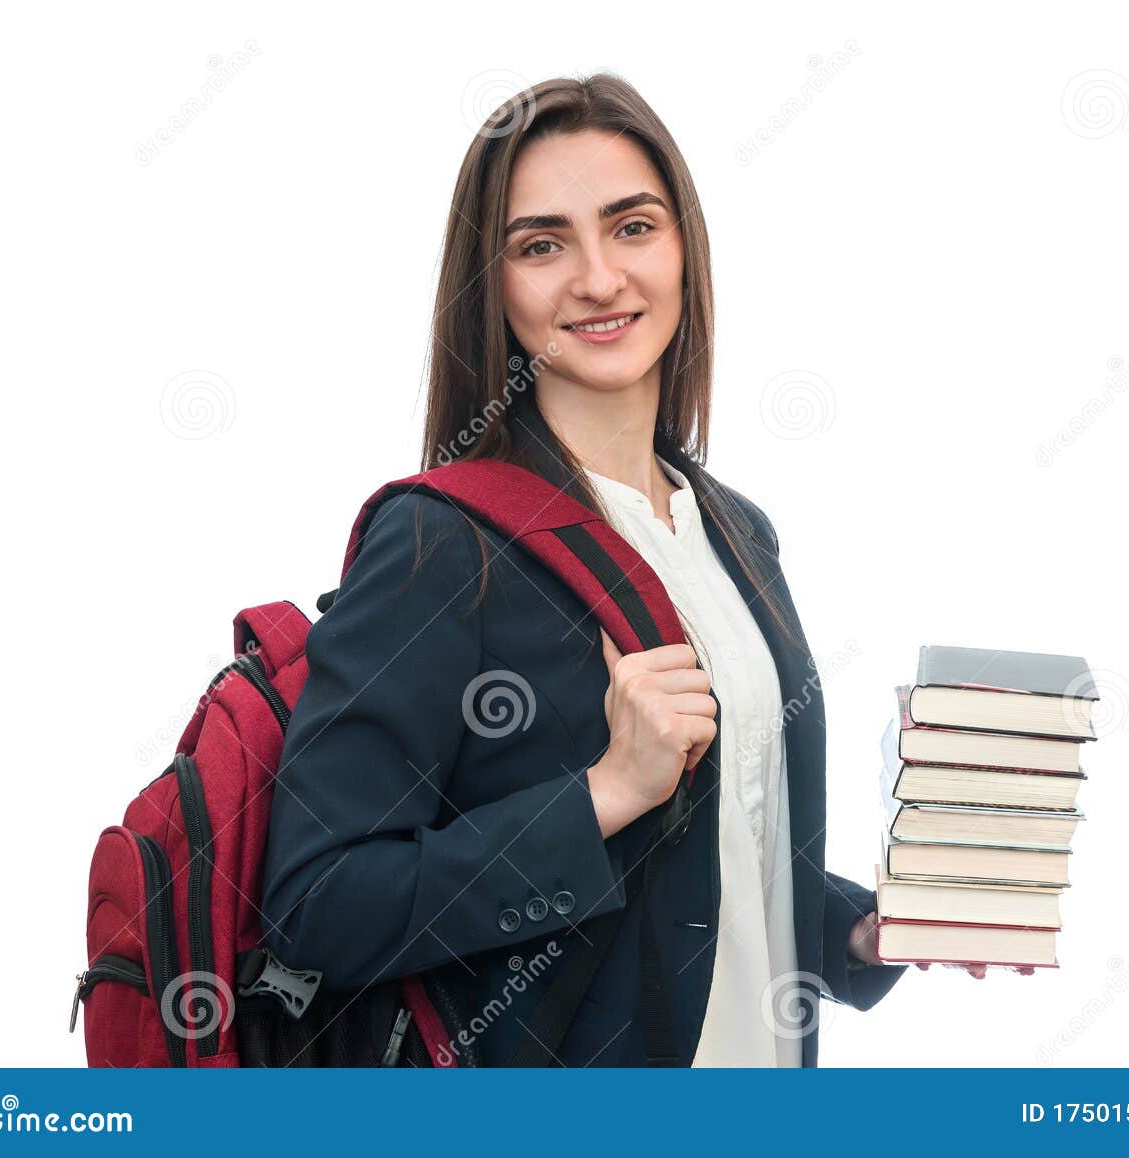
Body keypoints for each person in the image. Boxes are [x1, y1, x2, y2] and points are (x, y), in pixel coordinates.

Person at [260, 72, 907, 1067]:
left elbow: (712, 852)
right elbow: (317, 908)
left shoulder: (737, 533)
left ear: (684, 249)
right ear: (495, 283)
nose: (598, 279)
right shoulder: (441, 546)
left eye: (633, 227)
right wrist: (603, 792)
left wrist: (873, 933)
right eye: (542, 244)